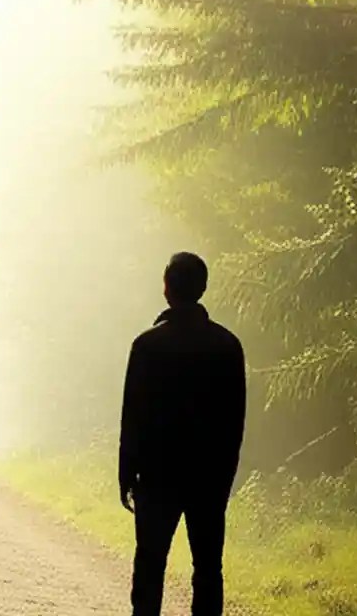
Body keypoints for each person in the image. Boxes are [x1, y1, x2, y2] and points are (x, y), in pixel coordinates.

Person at [119, 252, 246, 616]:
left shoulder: (146, 346)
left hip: (157, 478)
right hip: (209, 477)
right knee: (208, 569)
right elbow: (234, 422)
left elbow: (133, 420)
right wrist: (225, 477)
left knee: (150, 566)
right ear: (203, 288)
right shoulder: (227, 346)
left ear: (167, 288)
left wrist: (126, 475)